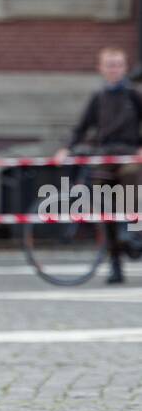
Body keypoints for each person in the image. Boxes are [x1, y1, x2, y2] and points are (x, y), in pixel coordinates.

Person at [54, 47, 142, 284]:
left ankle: (134, 233)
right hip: (104, 156)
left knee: (130, 183)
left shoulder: (134, 95)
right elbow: (81, 127)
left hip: (129, 155)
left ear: (124, 68)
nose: (114, 69)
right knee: (106, 210)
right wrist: (66, 148)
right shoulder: (98, 98)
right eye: (109, 65)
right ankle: (115, 263)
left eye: (118, 65)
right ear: (101, 69)